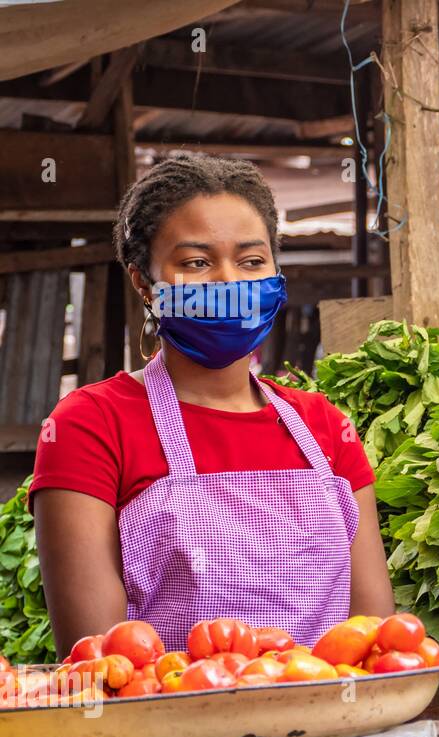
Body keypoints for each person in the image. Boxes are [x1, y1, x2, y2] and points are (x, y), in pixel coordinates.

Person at [31, 154, 394, 657]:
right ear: (144, 282)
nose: (230, 283)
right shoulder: (91, 425)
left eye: (251, 261)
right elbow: (103, 660)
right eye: (196, 262)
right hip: (170, 729)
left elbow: (375, 640)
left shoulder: (325, 427)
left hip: (333, 725)